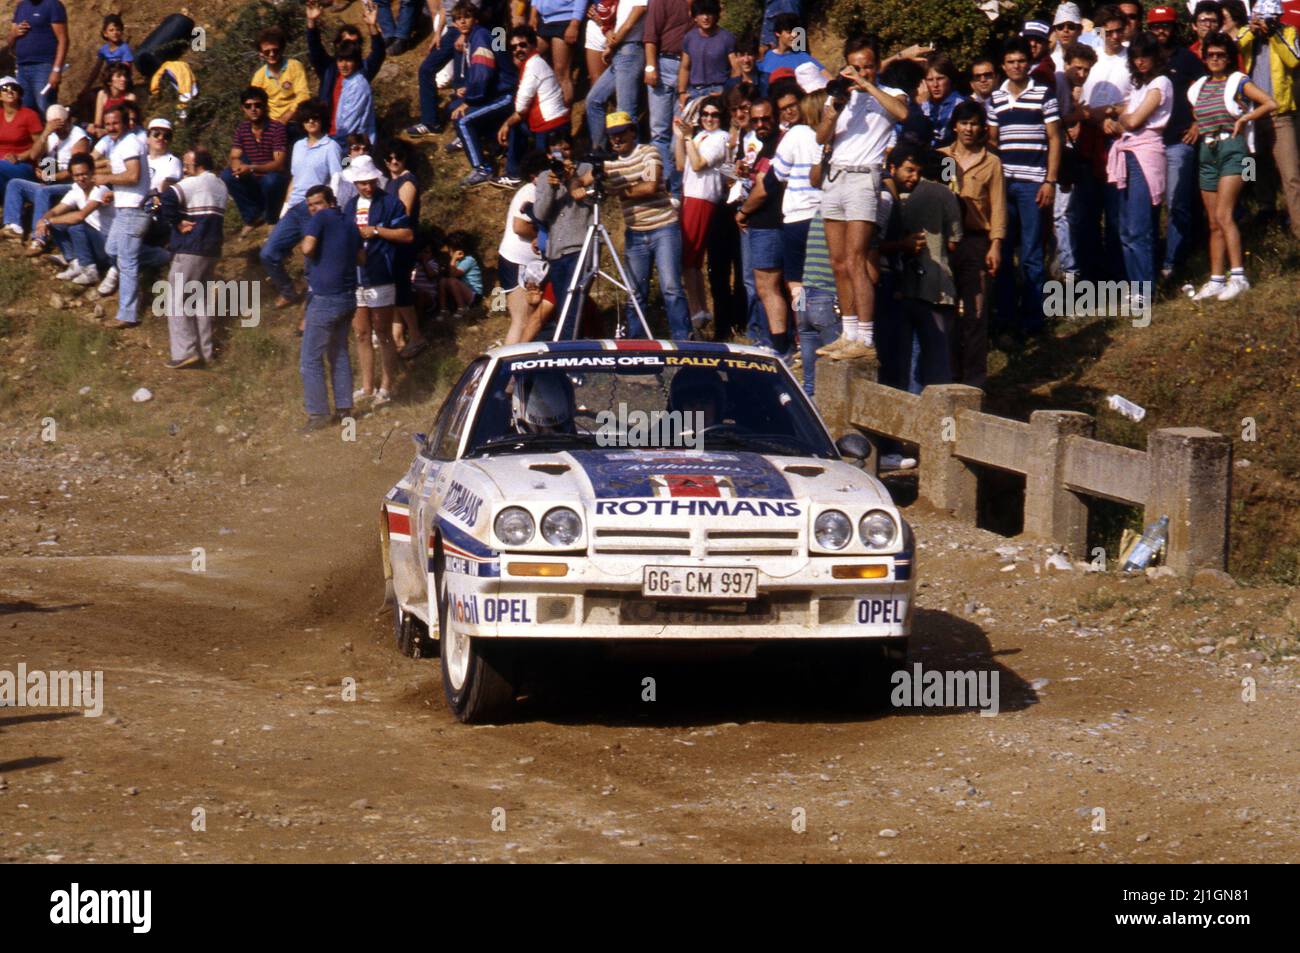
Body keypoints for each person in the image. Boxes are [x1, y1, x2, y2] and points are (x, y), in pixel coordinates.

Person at [814, 36, 908, 361]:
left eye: (868, 66)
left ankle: (866, 339)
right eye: (856, 67)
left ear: (877, 65)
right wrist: (833, 109)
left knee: (856, 259)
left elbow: (903, 113)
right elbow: (821, 137)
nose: (862, 72)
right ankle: (848, 332)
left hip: (863, 178)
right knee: (838, 263)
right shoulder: (842, 97)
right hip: (836, 176)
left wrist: (868, 86)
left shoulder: (890, 94)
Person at [1189, 31, 1278, 300]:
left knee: (1226, 215)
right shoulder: (1198, 86)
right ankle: (1216, 278)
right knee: (1214, 221)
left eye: (1221, 54)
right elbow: (1200, 115)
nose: (1215, 59)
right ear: (1204, 58)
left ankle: (1238, 275)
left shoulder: (1238, 81)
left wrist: (1244, 118)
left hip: (1234, 148)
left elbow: (1270, 102)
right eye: (1211, 54)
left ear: (1229, 58)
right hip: (1207, 150)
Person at [591, 110, 689, 338]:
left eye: (621, 133)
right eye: (612, 135)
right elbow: (583, 179)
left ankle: (683, 339)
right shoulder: (609, 164)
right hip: (635, 234)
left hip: (664, 228)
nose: (616, 139)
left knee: (671, 288)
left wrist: (621, 190)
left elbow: (651, 185)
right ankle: (636, 341)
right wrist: (574, 182)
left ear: (633, 132)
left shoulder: (649, 152)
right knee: (635, 291)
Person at [988, 37, 1061, 338]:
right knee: (1003, 251)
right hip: (1004, 185)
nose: (1017, 66)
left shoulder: (1044, 94)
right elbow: (992, 141)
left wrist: (1050, 180)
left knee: (1032, 252)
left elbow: (1054, 138)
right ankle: (1006, 316)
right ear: (1003, 66)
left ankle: (1034, 320)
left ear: (1027, 63)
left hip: (1033, 184)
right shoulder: (995, 99)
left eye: (1021, 60)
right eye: (1010, 61)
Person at [879, 141, 962, 385]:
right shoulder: (945, 195)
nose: (914, 176)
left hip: (905, 287)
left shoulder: (901, 198)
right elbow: (955, 241)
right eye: (909, 170)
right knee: (937, 355)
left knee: (904, 356)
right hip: (936, 287)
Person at [939, 100, 1005, 389]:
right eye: (964, 123)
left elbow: (999, 207)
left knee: (976, 312)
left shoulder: (991, 162)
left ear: (982, 128)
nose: (969, 128)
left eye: (975, 123)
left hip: (976, 241)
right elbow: (936, 197)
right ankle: (948, 375)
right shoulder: (941, 157)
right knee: (945, 311)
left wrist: (996, 245)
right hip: (943, 243)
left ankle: (975, 381)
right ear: (955, 125)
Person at [1105, 31, 1172, 307]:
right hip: (1126, 153)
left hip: (1145, 155)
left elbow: (1133, 121)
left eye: (1145, 56)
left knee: (1140, 226)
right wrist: (1122, 116)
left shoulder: (1161, 82)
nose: (1140, 61)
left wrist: (1119, 115)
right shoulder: (1139, 86)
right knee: (1125, 228)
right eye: (1136, 57)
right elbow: (1125, 116)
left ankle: (1146, 289)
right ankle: (1135, 288)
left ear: (1155, 57)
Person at [344, 153, 414, 406]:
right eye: (362, 182)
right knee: (362, 332)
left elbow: (406, 234)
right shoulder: (350, 206)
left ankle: (386, 386)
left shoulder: (390, 203)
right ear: (354, 183)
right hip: (357, 277)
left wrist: (376, 231)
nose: (367, 186)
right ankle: (367, 386)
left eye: (371, 181)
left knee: (383, 332)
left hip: (382, 274)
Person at [260, 100, 343, 309]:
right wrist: (285, 207)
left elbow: (336, 177)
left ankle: (313, 308)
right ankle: (288, 291)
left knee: (311, 260)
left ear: (322, 120)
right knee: (268, 253)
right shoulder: (297, 146)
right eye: (306, 119)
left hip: (316, 208)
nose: (311, 122)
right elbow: (295, 178)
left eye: (315, 118)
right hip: (295, 205)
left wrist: (332, 206)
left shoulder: (331, 146)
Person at [96, 103, 169, 328]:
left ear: (126, 122)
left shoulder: (129, 143)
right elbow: (120, 170)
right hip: (124, 209)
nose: (111, 127)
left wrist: (103, 180)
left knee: (127, 262)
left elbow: (133, 176)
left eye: (115, 123)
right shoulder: (119, 144)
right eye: (107, 124)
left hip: (134, 210)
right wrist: (99, 173)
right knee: (111, 249)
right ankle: (165, 257)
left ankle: (127, 314)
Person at [1147, 6, 1206, 280]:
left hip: (1179, 141)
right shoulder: (1144, 58)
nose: (1161, 31)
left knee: (1177, 203)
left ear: (1175, 27)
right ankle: (1149, 262)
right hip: (1148, 142)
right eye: (1156, 26)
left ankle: (1173, 263)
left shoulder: (1187, 58)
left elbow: (1209, 87)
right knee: (1148, 205)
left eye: (1166, 26)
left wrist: (1198, 123)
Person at [157, 147, 229, 370]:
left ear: (198, 167)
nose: (185, 171)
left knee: (177, 299)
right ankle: (206, 352)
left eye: (187, 167)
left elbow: (166, 197)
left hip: (190, 247)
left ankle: (186, 352)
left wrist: (177, 221)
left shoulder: (195, 183)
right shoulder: (220, 185)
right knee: (201, 303)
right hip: (212, 249)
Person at [299, 184, 361, 432]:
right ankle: (345, 409)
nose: (314, 209)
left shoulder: (321, 219)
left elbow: (307, 248)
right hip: (348, 296)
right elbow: (362, 259)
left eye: (318, 203)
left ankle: (318, 414)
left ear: (331, 202)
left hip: (326, 298)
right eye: (311, 206)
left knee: (310, 359)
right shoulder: (350, 222)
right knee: (339, 353)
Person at [769, 87, 824, 361]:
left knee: (796, 283)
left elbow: (776, 174)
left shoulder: (796, 134)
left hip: (796, 218)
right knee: (823, 281)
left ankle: (803, 332)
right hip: (823, 216)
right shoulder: (833, 137)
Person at [1243, 1, 1300, 240]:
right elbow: (1233, 46)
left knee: (1291, 175)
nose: (1265, 22)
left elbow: (1294, 59)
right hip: (1249, 116)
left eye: (1270, 18)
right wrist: (1251, 31)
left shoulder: (1287, 32)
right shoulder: (1246, 34)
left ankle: (1298, 228)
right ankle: (1262, 210)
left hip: (1280, 114)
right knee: (1251, 168)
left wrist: (1275, 32)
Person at [531, 133, 596, 339]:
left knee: (573, 300)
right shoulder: (544, 177)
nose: (563, 154)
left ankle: (570, 346)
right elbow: (541, 214)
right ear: (550, 153)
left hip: (580, 246)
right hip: (556, 252)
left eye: (566, 149)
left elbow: (592, 203)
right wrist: (551, 187)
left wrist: (572, 180)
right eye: (558, 151)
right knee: (563, 304)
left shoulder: (586, 170)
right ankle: (576, 343)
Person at [447, 3, 519, 186]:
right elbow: (490, 66)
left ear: (476, 17)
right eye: (457, 19)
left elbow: (484, 71)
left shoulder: (483, 35)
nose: (462, 21)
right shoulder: (488, 33)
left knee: (462, 118)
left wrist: (470, 100)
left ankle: (482, 168)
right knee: (454, 106)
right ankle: (492, 142)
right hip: (498, 88)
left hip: (505, 93)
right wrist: (468, 90)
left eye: (467, 16)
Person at [674, 93, 729, 332]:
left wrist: (687, 139)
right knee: (690, 260)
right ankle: (700, 309)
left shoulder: (721, 138)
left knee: (689, 258)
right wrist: (681, 139)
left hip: (702, 198)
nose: (709, 118)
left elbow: (698, 164)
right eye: (705, 114)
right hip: (690, 195)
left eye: (714, 115)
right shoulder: (698, 136)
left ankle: (698, 310)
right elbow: (680, 164)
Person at [735, 96, 784, 349]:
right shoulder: (765, 147)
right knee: (771, 287)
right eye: (755, 120)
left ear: (775, 117)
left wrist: (743, 212)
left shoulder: (778, 143)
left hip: (770, 222)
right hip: (766, 222)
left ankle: (776, 344)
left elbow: (764, 190)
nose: (761, 124)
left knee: (768, 287)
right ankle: (776, 341)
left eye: (766, 118)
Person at [496, 26, 570, 189]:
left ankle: (517, 174)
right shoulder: (532, 63)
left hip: (550, 125)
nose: (518, 50)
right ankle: (515, 172)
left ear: (532, 45)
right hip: (552, 122)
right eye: (514, 47)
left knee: (549, 171)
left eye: (522, 45)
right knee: (517, 127)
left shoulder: (533, 66)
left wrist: (505, 125)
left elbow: (521, 108)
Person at [3, 101, 85, 244]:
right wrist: (46, 133)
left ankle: (39, 238)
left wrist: (51, 177)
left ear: (68, 121)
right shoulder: (52, 136)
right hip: (51, 181)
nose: (58, 130)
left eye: (61, 125)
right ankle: (13, 227)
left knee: (44, 191)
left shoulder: (78, 137)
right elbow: (34, 155)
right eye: (54, 126)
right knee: (15, 184)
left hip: (70, 186)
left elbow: (76, 172)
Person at [32, 152, 111, 285]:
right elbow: (55, 211)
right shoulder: (76, 191)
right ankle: (75, 263)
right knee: (56, 223)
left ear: (92, 172)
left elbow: (80, 216)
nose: (81, 178)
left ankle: (90, 270)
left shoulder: (100, 189)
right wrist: (43, 220)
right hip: (93, 243)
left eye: (84, 174)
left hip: (107, 244)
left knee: (77, 226)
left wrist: (48, 221)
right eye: (77, 175)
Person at [383, 140, 428, 357]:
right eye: (389, 158)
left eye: (398, 157)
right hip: (391, 241)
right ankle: (398, 337)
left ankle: (417, 336)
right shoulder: (391, 182)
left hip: (403, 241)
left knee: (400, 288)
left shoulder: (407, 181)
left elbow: (404, 214)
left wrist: (379, 228)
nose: (394, 161)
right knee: (393, 288)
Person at [644, 0, 692, 198]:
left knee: (679, 135)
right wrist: (650, 67)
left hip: (689, 68)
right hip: (664, 63)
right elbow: (650, 35)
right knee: (659, 132)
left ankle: (678, 190)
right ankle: (664, 189)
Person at [586, 0, 648, 150]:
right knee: (593, 101)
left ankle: (634, 160)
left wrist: (613, 44)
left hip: (631, 49)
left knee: (626, 113)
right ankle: (600, 153)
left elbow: (637, 13)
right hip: (620, 50)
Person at [306, 1, 387, 116]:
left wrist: (372, 25)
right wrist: (311, 21)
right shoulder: (328, 68)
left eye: (355, 43)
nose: (350, 48)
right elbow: (315, 48)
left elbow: (378, 54)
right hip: (327, 127)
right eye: (346, 43)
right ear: (337, 44)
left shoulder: (363, 70)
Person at [498, 153, 546, 344]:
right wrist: (539, 236)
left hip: (524, 262)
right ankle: (511, 372)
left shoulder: (539, 191)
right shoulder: (530, 192)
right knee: (522, 322)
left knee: (526, 322)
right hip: (518, 262)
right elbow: (519, 226)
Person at [8, 0, 67, 114]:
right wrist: (14, 33)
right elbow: (10, 42)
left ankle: (52, 132)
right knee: (26, 111)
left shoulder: (52, 5)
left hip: (44, 66)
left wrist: (56, 70)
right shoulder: (21, 6)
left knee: (45, 109)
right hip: (22, 67)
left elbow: (63, 39)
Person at [756, 13, 830, 97]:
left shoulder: (802, 57)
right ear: (777, 33)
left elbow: (829, 79)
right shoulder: (766, 56)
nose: (794, 36)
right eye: (789, 32)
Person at [250, 27, 311, 128]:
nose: (272, 54)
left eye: (275, 50)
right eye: (267, 52)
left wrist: (286, 116)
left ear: (282, 49)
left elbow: (303, 94)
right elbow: (255, 104)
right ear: (261, 54)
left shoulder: (294, 66)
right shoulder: (258, 77)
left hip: (296, 121)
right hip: (272, 125)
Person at [678, 0, 736, 106]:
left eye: (709, 13)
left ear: (716, 15)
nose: (705, 18)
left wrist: (726, 91)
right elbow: (685, 67)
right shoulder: (689, 38)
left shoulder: (727, 38)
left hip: (719, 90)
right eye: (701, 14)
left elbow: (736, 69)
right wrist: (682, 92)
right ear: (695, 17)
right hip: (694, 91)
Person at [531, 0, 585, 106]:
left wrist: (574, 24)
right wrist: (533, 12)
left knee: (561, 72)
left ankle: (564, 115)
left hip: (565, 19)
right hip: (543, 20)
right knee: (530, 59)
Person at [439, 229, 484, 318]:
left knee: (452, 281)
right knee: (443, 281)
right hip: (464, 292)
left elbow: (453, 275)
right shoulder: (458, 261)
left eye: (449, 248)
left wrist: (453, 260)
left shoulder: (468, 260)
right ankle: (443, 309)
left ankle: (462, 308)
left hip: (474, 296)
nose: (448, 251)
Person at [90, 62, 134, 139]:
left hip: (124, 135)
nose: (124, 79)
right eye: (119, 76)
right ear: (109, 81)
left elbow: (130, 125)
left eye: (125, 76)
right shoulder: (102, 95)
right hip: (105, 135)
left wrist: (106, 131)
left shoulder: (130, 97)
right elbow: (98, 122)